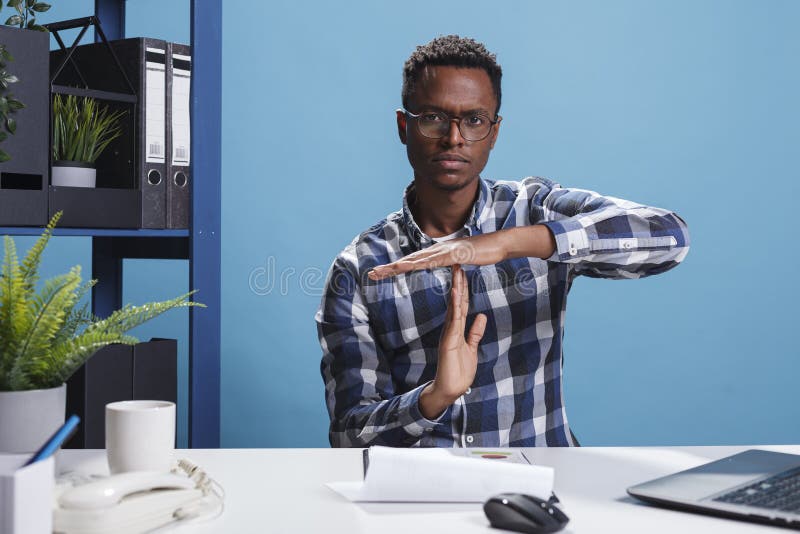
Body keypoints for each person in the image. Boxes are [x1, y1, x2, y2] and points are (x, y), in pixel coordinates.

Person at [316, 35, 689, 448]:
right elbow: (349, 434)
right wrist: (433, 397)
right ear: (405, 127)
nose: (454, 137)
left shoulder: (533, 210)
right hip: (424, 499)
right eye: (434, 118)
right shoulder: (359, 268)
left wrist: (510, 243)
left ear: (494, 133)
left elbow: (669, 235)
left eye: (474, 120)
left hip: (544, 487)